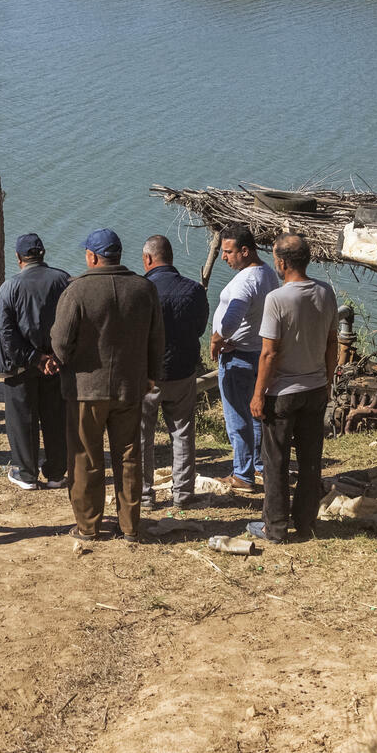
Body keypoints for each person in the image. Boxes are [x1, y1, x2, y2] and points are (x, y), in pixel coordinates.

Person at [50, 228, 162, 544]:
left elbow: (60, 342)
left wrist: (59, 360)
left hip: (86, 389)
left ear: (93, 256)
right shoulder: (143, 289)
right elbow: (157, 337)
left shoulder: (77, 291)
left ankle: (88, 526)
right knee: (128, 456)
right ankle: (129, 527)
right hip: (130, 387)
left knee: (86, 455)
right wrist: (152, 374)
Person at [248, 233, 341, 543]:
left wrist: (259, 393)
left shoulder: (277, 299)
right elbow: (332, 342)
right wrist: (327, 380)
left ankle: (273, 528)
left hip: (282, 393)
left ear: (282, 263)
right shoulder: (326, 293)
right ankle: (305, 521)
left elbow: (269, 353)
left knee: (275, 463)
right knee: (310, 459)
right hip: (315, 388)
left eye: (275, 257)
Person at [0, 232, 71, 490]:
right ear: (43, 254)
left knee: (22, 419)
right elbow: (71, 324)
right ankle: (57, 473)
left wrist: (34, 358)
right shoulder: (64, 280)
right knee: (55, 417)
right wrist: (54, 357)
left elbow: (6, 333)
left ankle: (26, 474)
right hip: (56, 365)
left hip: (20, 365)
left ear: (18, 258)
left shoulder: (9, 287)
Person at [139, 234, 210, 516]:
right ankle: (182, 493)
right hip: (182, 372)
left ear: (148, 259)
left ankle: (145, 495)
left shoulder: (142, 290)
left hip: (148, 376)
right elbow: (200, 329)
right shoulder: (194, 290)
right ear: (171, 257)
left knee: (142, 435)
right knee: (182, 433)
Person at [209, 226, 279, 496]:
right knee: (255, 415)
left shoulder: (245, 281)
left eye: (228, 252)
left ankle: (243, 475)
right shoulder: (268, 274)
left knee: (237, 417)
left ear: (245, 251)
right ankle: (259, 465)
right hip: (257, 353)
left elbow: (231, 320)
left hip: (237, 356)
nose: (224, 257)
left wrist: (217, 339)